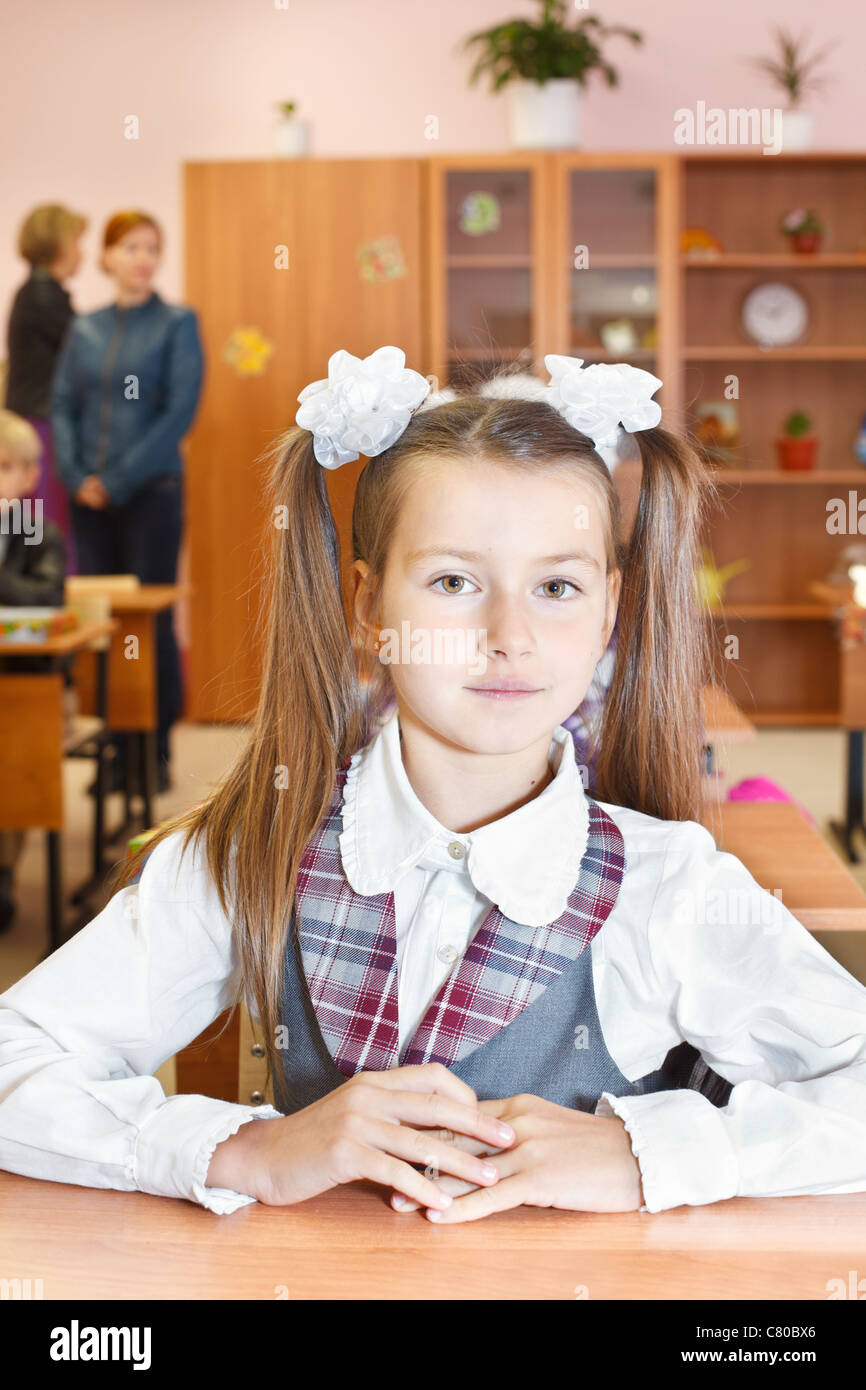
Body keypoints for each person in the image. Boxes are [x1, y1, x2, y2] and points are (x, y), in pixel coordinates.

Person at [1, 345, 866, 1224]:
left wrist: (652, 1152)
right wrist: (245, 1147)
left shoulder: (669, 884)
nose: (509, 633)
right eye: (453, 581)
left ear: (610, 608)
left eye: (558, 585)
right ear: (370, 607)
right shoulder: (250, 853)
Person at [50, 210, 204, 793]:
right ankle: (114, 745)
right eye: (131, 247)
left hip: (151, 495)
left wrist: (115, 478)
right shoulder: (84, 329)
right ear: (108, 256)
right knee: (101, 624)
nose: (143, 258)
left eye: (152, 248)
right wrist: (74, 474)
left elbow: (177, 413)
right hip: (87, 499)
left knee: (149, 619)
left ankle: (152, 750)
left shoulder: (176, 324)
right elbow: (62, 406)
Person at [0, 410, 67, 931]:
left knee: (12, 757)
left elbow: (44, 598)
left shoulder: (41, 536)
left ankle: (2, 871)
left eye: (3, 467)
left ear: (28, 477)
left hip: (25, 689)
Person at [4, 203, 87, 572]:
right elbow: (87, 359)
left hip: (37, 420)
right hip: (43, 425)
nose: (80, 253)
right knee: (45, 522)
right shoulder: (43, 296)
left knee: (36, 521)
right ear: (57, 245)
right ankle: (49, 600)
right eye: (76, 242)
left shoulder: (37, 293)